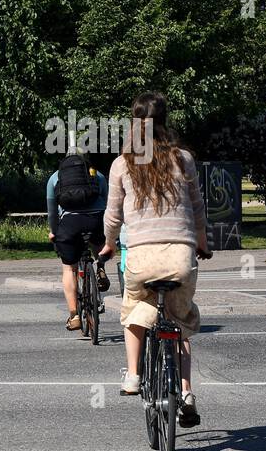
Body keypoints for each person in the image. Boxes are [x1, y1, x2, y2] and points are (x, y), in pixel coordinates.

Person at [99, 92, 210, 429]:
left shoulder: (123, 163)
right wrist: (202, 244)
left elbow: (113, 216)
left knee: (133, 308)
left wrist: (108, 246)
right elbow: (197, 208)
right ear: (165, 121)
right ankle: (187, 392)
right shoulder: (184, 159)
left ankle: (132, 375)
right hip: (180, 255)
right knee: (179, 321)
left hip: (142, 256)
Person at [47, 151, 111, 332]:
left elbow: (52, 212)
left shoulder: (55, 178)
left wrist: (53, 232)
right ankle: (100, 268)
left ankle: (74, 315)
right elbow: (106, 203)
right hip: (96, 219)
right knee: (98, 242)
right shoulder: (96, 174)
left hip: (70, 223)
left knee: (69, 268)